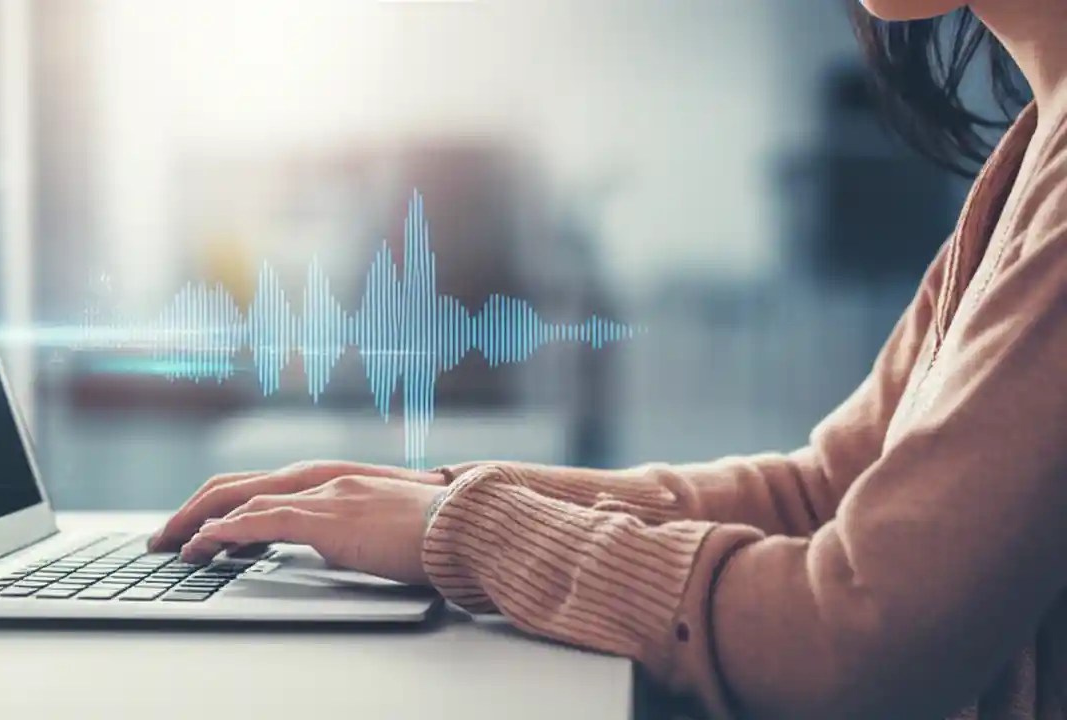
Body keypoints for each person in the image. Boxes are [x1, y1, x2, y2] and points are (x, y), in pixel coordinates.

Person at [150, 1, 1067, 717]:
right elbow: (822, 495)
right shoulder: (1032, 160)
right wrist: (438, 500)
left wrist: (467, 529)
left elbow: (857, 635)